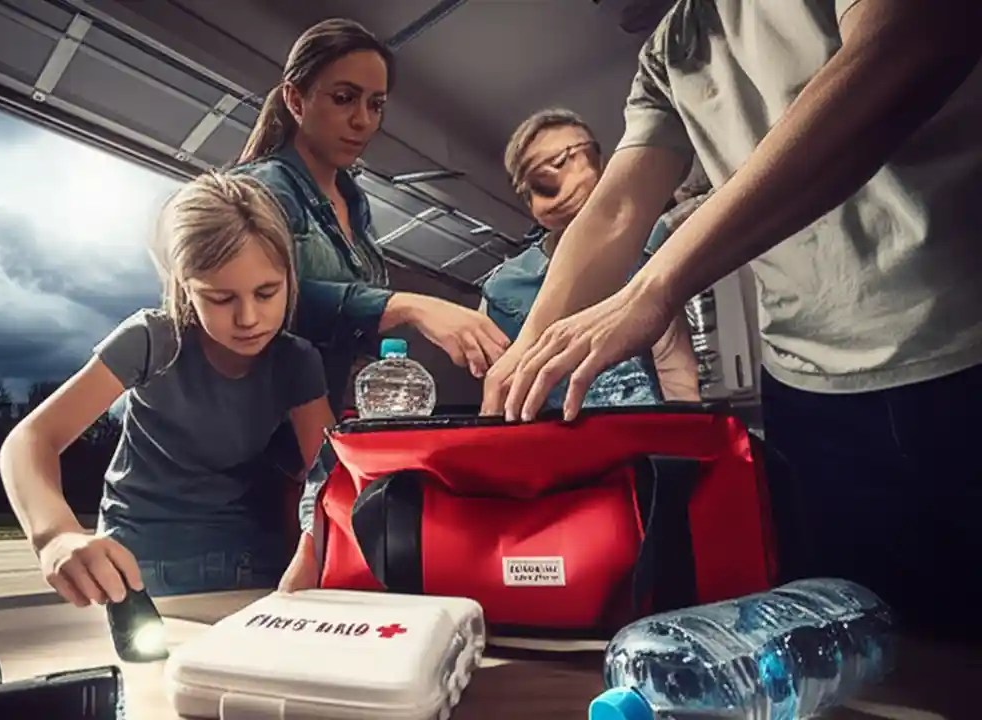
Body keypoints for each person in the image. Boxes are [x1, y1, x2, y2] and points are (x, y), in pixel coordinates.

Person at [482, 0, 982, 635]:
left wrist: (654, 288)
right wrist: (530, 352)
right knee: (873, 654)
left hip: (963, 347)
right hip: (812, 393)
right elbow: (614, 213)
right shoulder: (668, 52)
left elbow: (901, 54)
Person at [231, 18, 510, 591]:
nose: (363, 120)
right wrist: (408, 306)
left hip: (332, 438)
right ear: (295, 98)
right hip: (266, 448)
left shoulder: (355, 204)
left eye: (376, 105)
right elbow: (262, 308)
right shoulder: (258, 190)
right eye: (344, 99)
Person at [0, 172, 334, 609]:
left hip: (255, 561)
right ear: (183, 287)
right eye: (220, 298)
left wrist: (311, 550)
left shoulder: (297, 361)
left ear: (290, 277)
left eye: (267, 292)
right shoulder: (152, 340)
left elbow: (328, 472)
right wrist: (55, 535)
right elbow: (31, 439)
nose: (249, 317)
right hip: (137, 562)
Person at [480, 108, 699, 410]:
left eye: (574, 159)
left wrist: (688, 434)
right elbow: (499, 387)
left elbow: (673, 361)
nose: (572, 181)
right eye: (546, 175)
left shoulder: (646, 252)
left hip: (644, 432)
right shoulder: (504, 287)